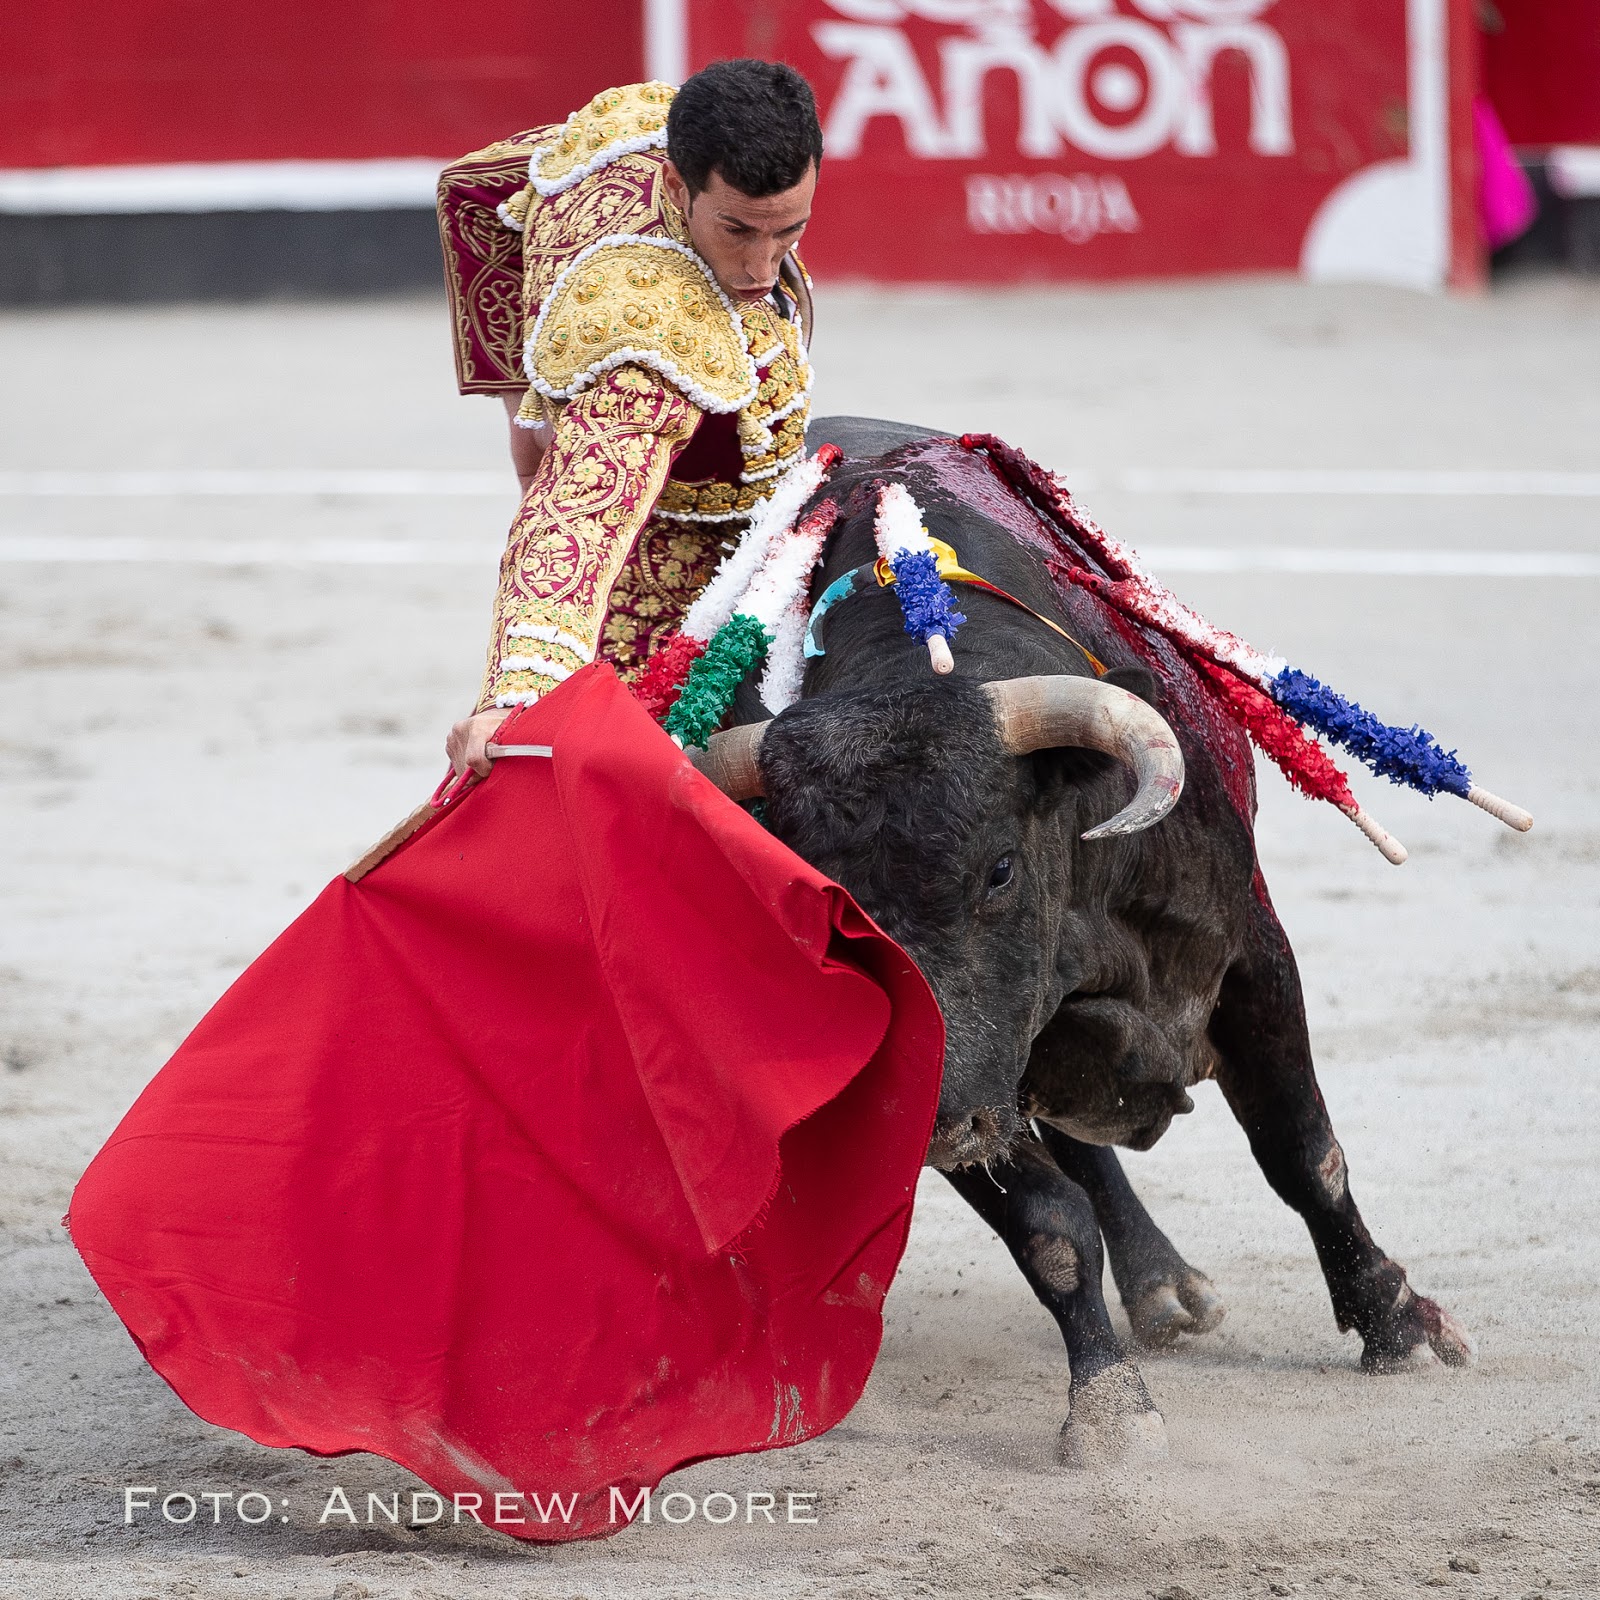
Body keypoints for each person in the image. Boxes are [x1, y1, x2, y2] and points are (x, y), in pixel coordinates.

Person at [434, 61, 823, 778]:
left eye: (788, 230)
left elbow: (480, 189)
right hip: (665, 592)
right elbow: (581, 514)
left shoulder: (635, 130)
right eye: (737, 230)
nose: (762, 266)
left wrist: (521, 394)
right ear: (676, 187)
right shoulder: (650, 336)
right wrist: (521, 696)